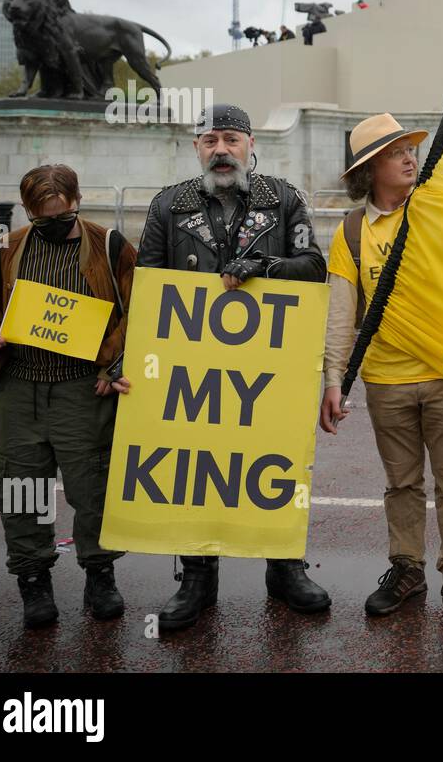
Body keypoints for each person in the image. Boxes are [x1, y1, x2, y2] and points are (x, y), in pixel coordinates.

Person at [137, 103, 330, 629]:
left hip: (270, 367)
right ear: (196, 148)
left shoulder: (283, 199)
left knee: (275, 459)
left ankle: (285, 565)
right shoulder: (169, 205)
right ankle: (197, 578)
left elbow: (314, 267)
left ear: (251, 146)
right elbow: (146, 287)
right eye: (210, 140)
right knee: (196, 466)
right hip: (193, 369)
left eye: (232, 139)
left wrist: (265, 267)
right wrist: (133, 363)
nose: (221, 149)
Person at [320, 113, 443, 619]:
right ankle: (407, 569)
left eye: (410, 150)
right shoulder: (350, 233)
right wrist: (333, 380)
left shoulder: (437, 214)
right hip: (386, 381)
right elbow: (342, 314)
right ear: (369, 171)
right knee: (402, 484)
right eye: (396, 153)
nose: (410, 158)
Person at [0, 164, 135, 628]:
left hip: (82, 389)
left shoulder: (110, 245)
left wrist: (114, 362)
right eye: (43, 219)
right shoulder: (6, 249)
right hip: (18, 388)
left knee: (92, 486)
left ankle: (100, 573)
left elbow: (138, 313)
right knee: (21, 488)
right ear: (27, 212)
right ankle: (33, 579)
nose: (54, 225)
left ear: (80, 200)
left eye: (64, 215)